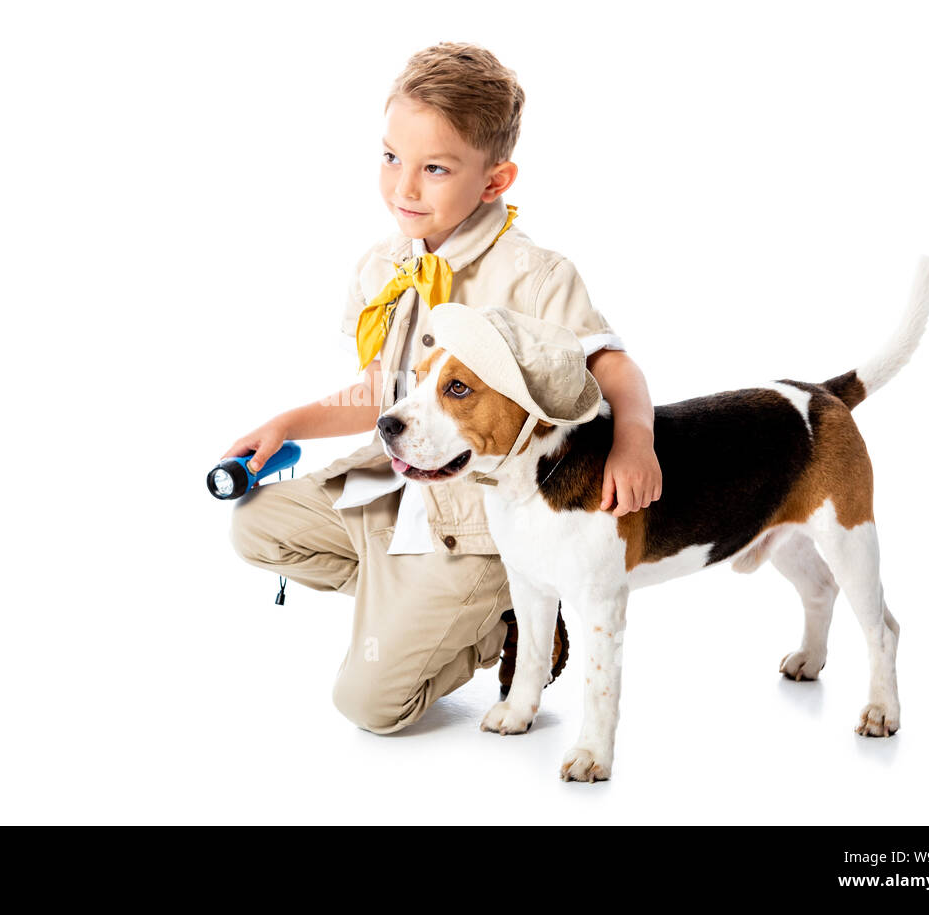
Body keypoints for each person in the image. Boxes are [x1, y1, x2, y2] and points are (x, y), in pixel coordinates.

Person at [224, 42, 661, 734]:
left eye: (434, 168)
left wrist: (635, 438)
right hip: (394, 492)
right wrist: (289, 424)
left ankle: (503, 612)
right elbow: (379, 392)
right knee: (253, 525)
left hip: (482, 525)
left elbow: (614, 369)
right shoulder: (383, 265)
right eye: (391, 157)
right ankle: (408, 603)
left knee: (369, 705)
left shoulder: (536, 277)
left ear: (494, 181)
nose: (404, 187)